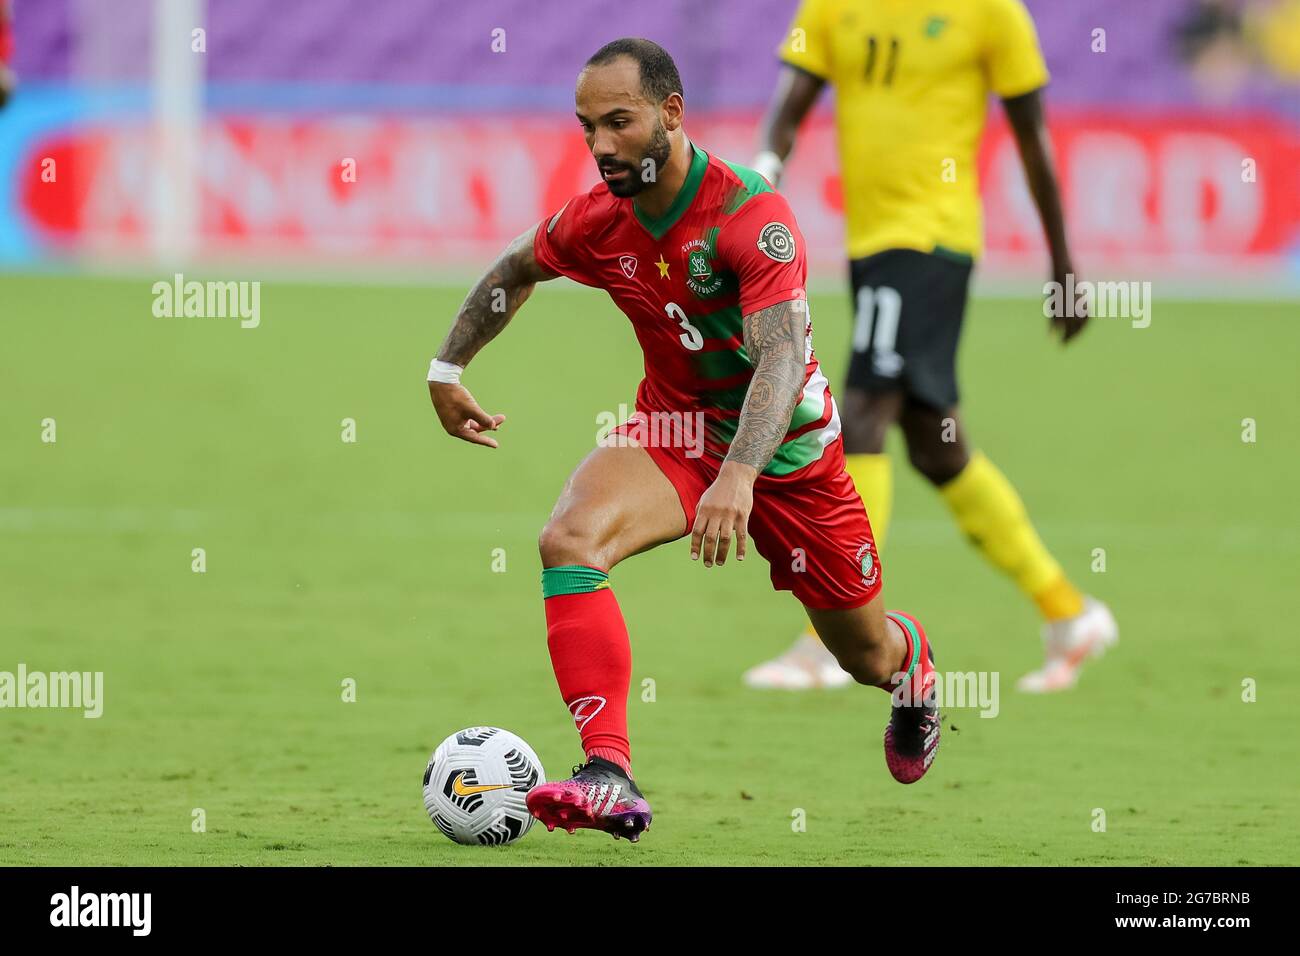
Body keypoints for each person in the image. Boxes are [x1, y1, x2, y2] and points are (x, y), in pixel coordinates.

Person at [427, 38, 940, 842]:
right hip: (675, 430)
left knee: (865, 656)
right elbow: (515, 269)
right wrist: (446, 366)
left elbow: (784, 353)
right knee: (567, 540)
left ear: (671, 113)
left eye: (619, 123)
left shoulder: (749, 216)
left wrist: (740, 475)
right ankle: (609, 774)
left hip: (791, 457)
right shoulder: (602, 219)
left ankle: (915, 671)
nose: (600, 146)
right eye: (587, 127)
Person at [744, 0, 1117, 694]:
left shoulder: (992, 13)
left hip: (931, 237)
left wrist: (1063, 262)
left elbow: (1032, 135)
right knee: (936, 445)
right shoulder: (832, 7)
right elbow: (792, 100)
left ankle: (834, 637)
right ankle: (1069, 613)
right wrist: (764, 173)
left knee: (858, 419)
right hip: (871, 246)